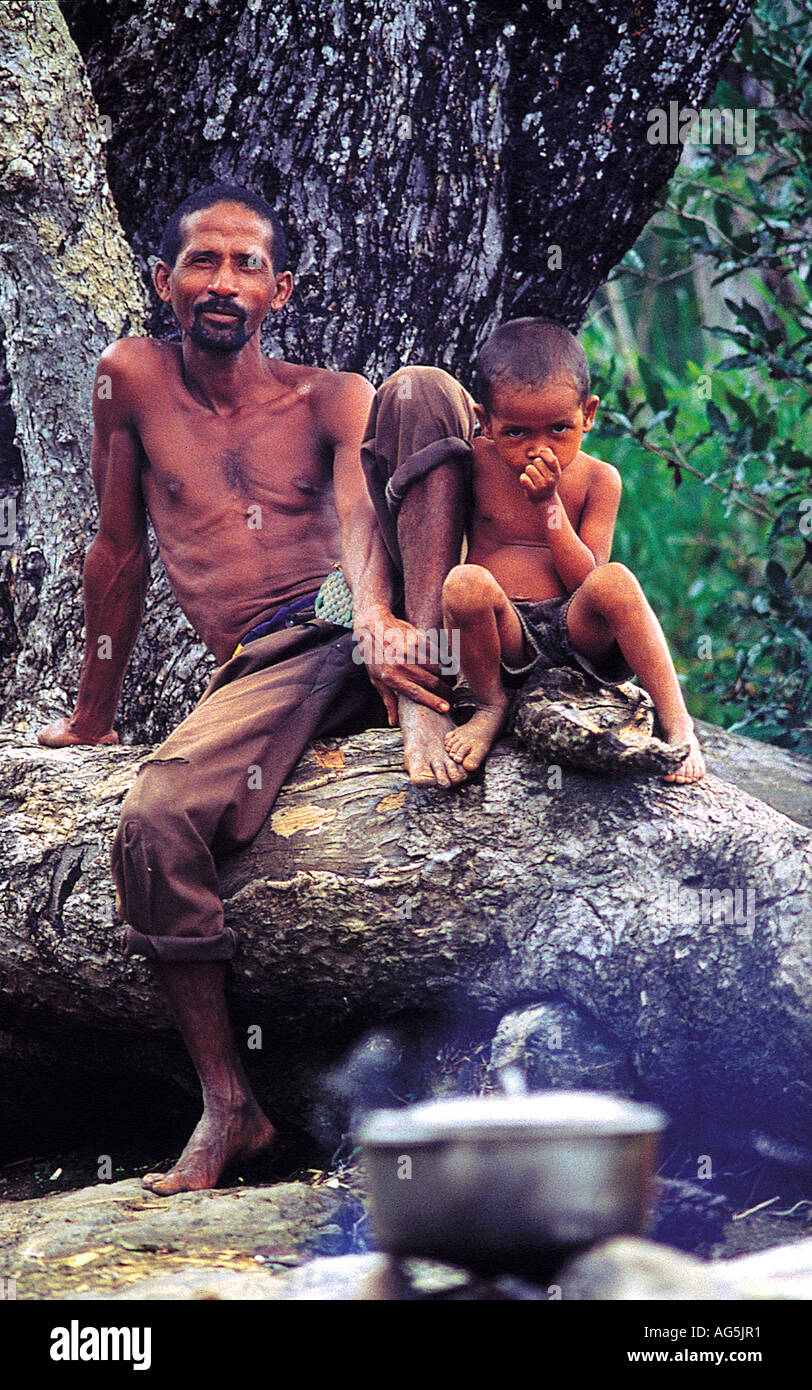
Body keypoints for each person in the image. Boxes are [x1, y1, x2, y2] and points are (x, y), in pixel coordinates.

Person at [36, 183, 462, 1195]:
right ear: (163, 282)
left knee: (420, 391)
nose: (222, 282)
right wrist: (95, 711)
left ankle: (427, 691)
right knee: (151, 821)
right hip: (280, 658)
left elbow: (363, 516)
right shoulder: (129, 380)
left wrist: (377, 617)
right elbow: (117, 552)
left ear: (280, 290)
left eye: (244, 265)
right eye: (202, 261)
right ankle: (232, 1107)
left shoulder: (329, 396)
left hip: (382, 616)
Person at [436, 318, 706, 782]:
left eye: (559, 429)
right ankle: (489, 703)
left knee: (616, 580)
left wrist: (549, 506)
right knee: (463, 585)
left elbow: (586, 581)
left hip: (573, 631)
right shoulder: (473, 464)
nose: (538, 448)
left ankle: (676, 718)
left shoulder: (600, 479)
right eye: (516, 433)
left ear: (588, 414)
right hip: (504, 634)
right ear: (485, 422)